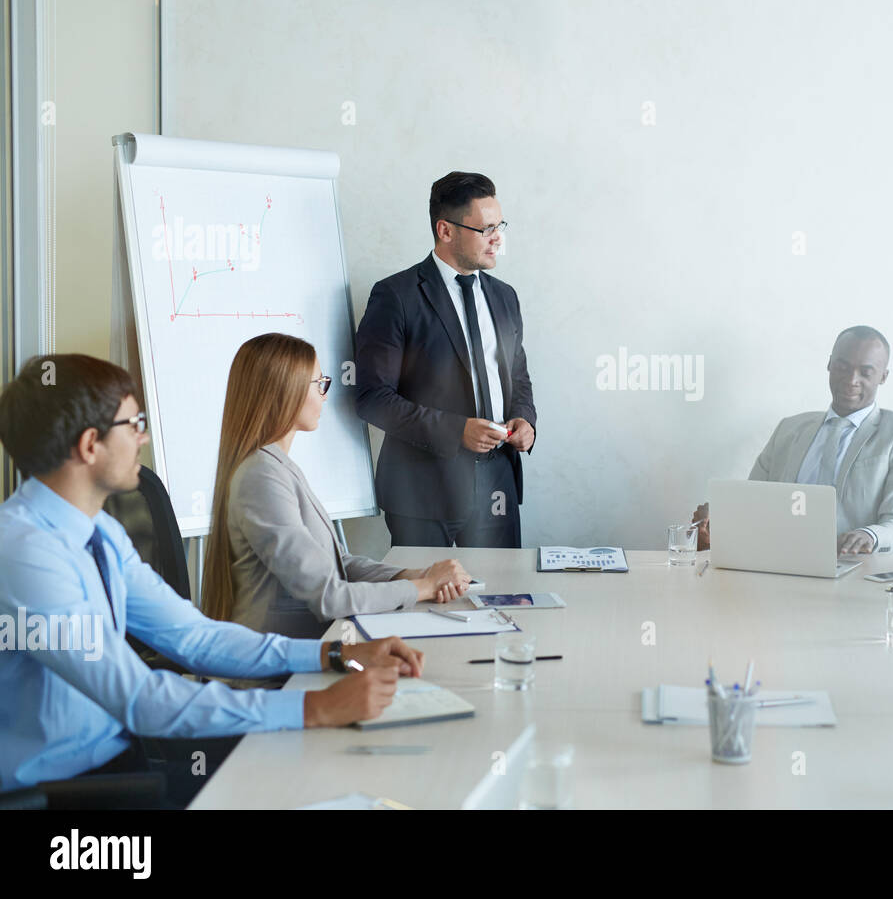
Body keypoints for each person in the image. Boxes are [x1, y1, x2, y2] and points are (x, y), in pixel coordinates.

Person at [0, 354, 421, 805]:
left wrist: (335, 653)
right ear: (89, 445)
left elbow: (195, 638)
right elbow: (138, 698)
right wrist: (315, 707)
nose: (142, 438)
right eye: (133, 423)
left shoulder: (99, 531)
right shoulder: (24, 554)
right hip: (60, 792)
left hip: (122, 761)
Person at [201, 333, 471, 640]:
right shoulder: (261, 477)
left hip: (314, 646)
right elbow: (329, 597)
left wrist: (409, 576)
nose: (325, 395)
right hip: (283, 667)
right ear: (285, 391)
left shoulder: (277, 466)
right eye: (319, 384)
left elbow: (337, 563)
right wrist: (423, 587)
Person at [354, 171, 536, 548]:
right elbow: (372, 398)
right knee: (426, 604)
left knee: (502, 599)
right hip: (421, 490)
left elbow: (517, 378)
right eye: (486, 229)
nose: (498, 238)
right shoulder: (396, 296)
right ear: (446, 230)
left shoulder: (505, 297)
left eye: (499, 225)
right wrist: (457, 431)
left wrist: (526, 420)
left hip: (496, 484)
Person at [692, 325, 893, 554]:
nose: (851, 379)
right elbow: (754, 505)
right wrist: (719, 519)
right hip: (778, 567)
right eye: (842, 367)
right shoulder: (789, 429)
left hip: (852, 573)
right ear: (829, 364)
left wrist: (870, 536)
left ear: (883, 377)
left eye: (865, 372)